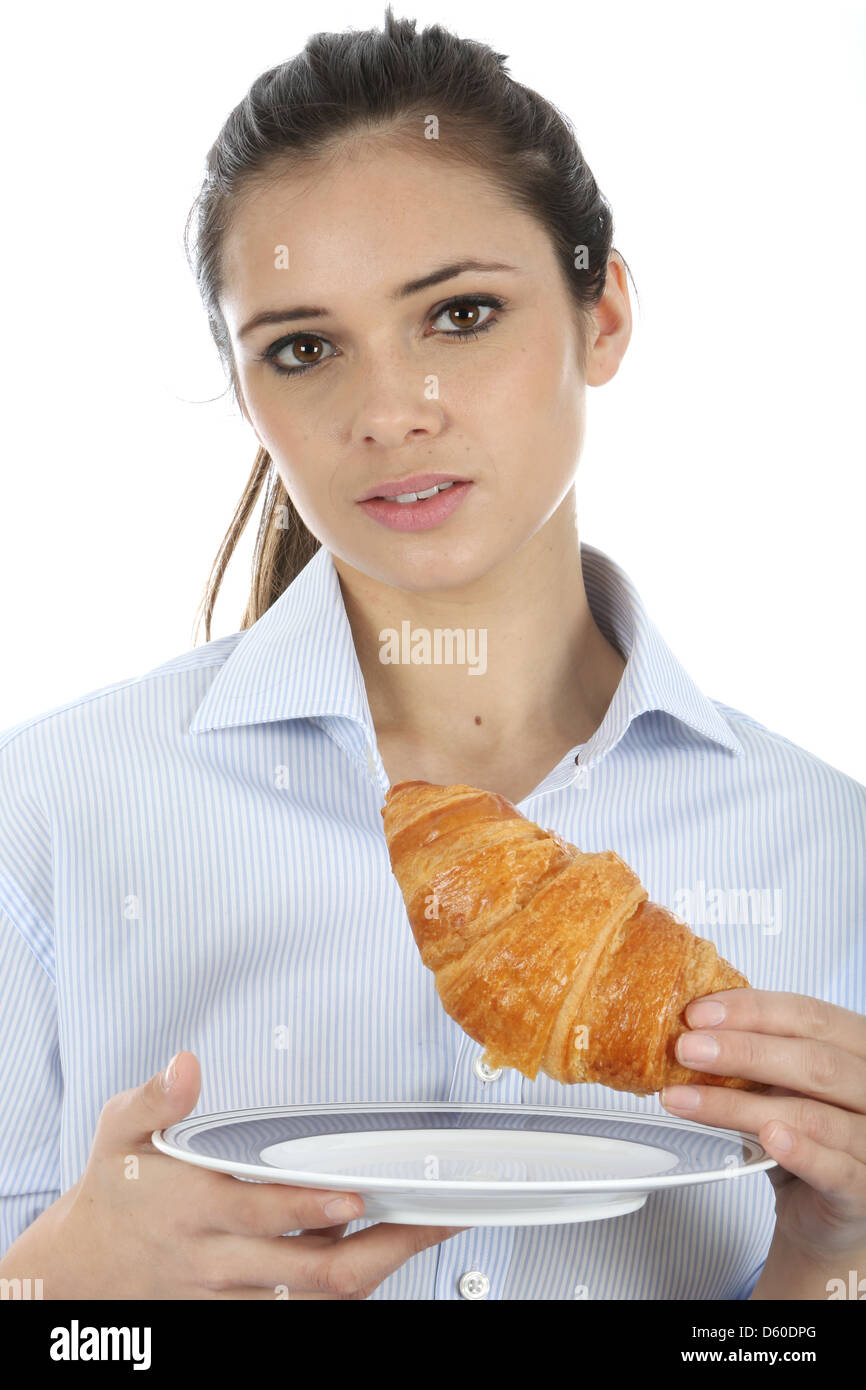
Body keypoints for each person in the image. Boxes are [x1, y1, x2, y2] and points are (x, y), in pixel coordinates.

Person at [0, 7, 863, 1302]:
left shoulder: (826, 848)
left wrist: (824, 1257)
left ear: (604, 312)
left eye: (458, 313)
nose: (388, 411)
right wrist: (53, 1295)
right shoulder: (50, 814)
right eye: (301, 347)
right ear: (246, 392)